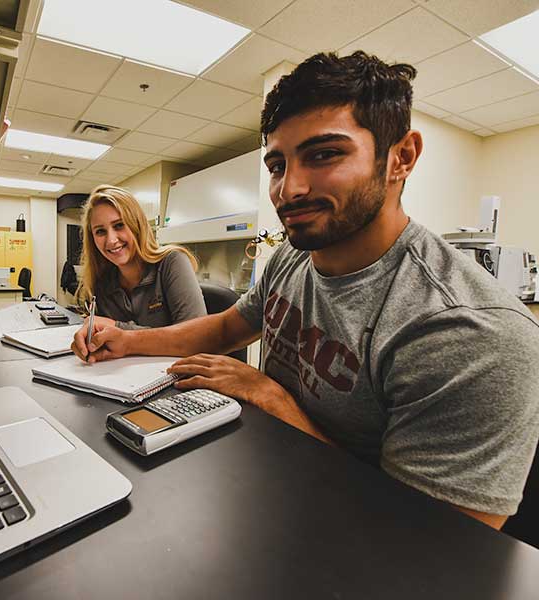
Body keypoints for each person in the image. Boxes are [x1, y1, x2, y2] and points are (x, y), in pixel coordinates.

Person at [72, 52, 539, 530]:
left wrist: (272, 399)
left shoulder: (469, 331)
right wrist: (127, 342)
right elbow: (228, 327)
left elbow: (427, 542)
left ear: (401, 157)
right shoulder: (295, 256)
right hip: (266, 495)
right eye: (278, 165)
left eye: (324, 155)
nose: (288, 189)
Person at [75, 184, 206, 332]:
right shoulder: (102, 283)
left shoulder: (172, 262)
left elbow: (195, 337)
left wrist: (117, 328)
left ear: (137, 225)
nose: (111, 240)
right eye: (100, 231)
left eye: (119, 225)